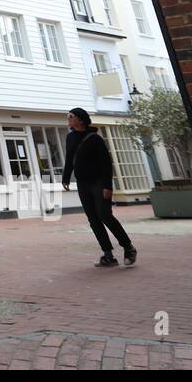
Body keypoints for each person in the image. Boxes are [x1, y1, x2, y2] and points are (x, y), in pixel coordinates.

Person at [62, 107, 136, 267]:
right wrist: (66, 177)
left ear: (81, 119)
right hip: (82, 183)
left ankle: (128, 247)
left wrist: (107, 186)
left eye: (71, 116)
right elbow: (69, 158)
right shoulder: (70, 138)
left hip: (98, 182)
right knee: (93, 219)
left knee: (105, 215)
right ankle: (108, 254)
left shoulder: (95, 139)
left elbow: (106, 163)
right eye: (68, 116)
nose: (68, 118)